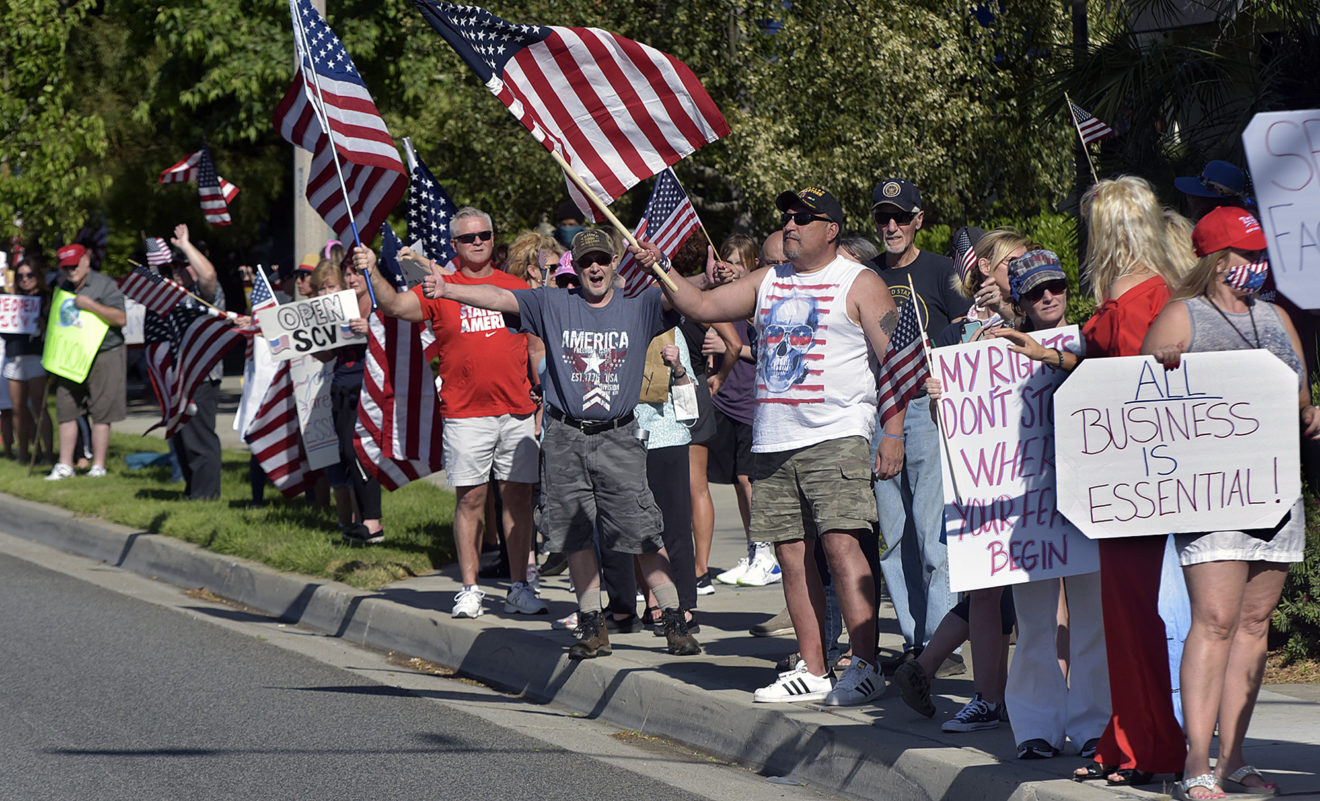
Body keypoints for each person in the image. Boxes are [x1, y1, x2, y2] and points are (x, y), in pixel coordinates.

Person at [374, 228, 700, 657]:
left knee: (641, 532)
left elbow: (691, 299)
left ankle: (674, 622)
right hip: (565, 437)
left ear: (615, 262)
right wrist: (448, 288)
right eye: (585, 262)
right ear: (576, 268)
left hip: (619, 436)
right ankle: (591, 624)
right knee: (574, 534)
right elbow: (497, 298)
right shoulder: (551, 303)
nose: (595, 268)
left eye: (602, 259)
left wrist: (661, 265)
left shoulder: (639, 307)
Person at [635, 186, 902, 705]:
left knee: (842, 547)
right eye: (786, 216)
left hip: (837, 435)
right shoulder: (770, 279)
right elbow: (702, 304)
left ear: (832, 229)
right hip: (775, 438)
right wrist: (660, 267)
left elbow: (898, 364)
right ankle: (815, 667)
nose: (791, 224)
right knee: (792, 554)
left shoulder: (860, 282)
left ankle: (865, 666)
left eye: (805, 217)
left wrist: (892, 431)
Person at [1142, 207, 1319, 800]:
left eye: (1260, 255)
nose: (1257, 265)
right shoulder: (1181, 316)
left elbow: (1300, 398)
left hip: (1274, 495)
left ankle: (1233, 759)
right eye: (1245, 254)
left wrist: (1311, 414)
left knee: (1253, 624)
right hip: (1211, 499)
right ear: (1219, 260)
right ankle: (1196, 762)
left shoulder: (1277, 318)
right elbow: (1138, 404)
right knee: (1214, 622)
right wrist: (1163, 367)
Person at [1065, 176, 1188, 787]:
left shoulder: (1148, 295)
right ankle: (1126, 738)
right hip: (1123, 479)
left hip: (1144, 477)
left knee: (1138, 612)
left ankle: (1152, 744)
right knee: (1123, 613)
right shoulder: (1138, 291)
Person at [364, 207, 544, 619]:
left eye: (484, 234)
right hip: (466, 414)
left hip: (517, 410)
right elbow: (393, 306)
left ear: (493, 238)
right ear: (454, 245)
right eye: (468, 238)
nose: (477, 241)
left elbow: (536, 349)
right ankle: (470, 588)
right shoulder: (438, 287)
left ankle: (520, 586)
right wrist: (374, 271)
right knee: (471, 498)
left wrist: (543, 402)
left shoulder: (516, 288)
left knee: (518, 500)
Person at [982, 251, 1111, 758]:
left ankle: (1094, 724)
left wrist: (1048, 356)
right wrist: (940, 393)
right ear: (1020, 299)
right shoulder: (989, 353)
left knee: (1092, 618)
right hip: (1026, 509)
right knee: (1035, 621)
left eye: (1055, 285)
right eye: (1036, 291)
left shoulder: (1091, 341)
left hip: (1089, 500)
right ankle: (1035, 727)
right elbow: (971, 420)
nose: (1049, 296)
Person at [865, 178, 970, 675]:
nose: (891, 227)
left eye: (900, 217)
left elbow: (967, 332)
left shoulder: (942, 271)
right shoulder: (863, 276)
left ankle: (939, 646)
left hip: (928, 414)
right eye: (883, 218)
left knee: (933, 535)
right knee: (893, 536)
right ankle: (913, 640)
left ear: (918, 220)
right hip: (876, 413)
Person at [311, 257, 383, 544]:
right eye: (349, 274)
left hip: (365, 387)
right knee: (345, 452)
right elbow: (328, 355)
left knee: (359, 452)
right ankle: (361, 521)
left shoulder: (378, 306)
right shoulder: (337, 312)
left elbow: (395, 341)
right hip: (340, 384)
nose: (353, 279)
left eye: (357, 274)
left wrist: (371, 331)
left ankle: (373, 522)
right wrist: (305, 342)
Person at [46, 243, 127, 481]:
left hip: (104, 353)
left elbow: (120, 318)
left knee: (101, 410)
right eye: (66, 267)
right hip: (70, 355)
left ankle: (98, 466)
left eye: (74, 265)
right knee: (66, 408)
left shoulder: (105, 285)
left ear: (86, 261)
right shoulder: (62, 287)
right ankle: (65, 465)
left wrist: (91, 305)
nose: (71, 271)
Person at [167, 224, 225, 500]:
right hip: (181, 377)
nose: (177, 270)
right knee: (183, 441)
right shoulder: (177, 294)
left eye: (183, 265)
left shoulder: (206, 292)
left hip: (203, 375)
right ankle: (193, 493)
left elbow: (209, 274)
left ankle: (206, 497)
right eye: (174, 266)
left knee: (200, 440)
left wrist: (186, 245)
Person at [3, 258, 54, 463]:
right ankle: (24, 453)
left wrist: (42, 324)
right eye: (21, 276)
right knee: (18, 408)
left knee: (39, 406)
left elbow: (53, 328)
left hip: (36, 356)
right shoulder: (11, 299)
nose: (25, 280)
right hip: (14, 356)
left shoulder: (47, 298)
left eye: (29, 275)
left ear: (37, 276)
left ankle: (49, 454)